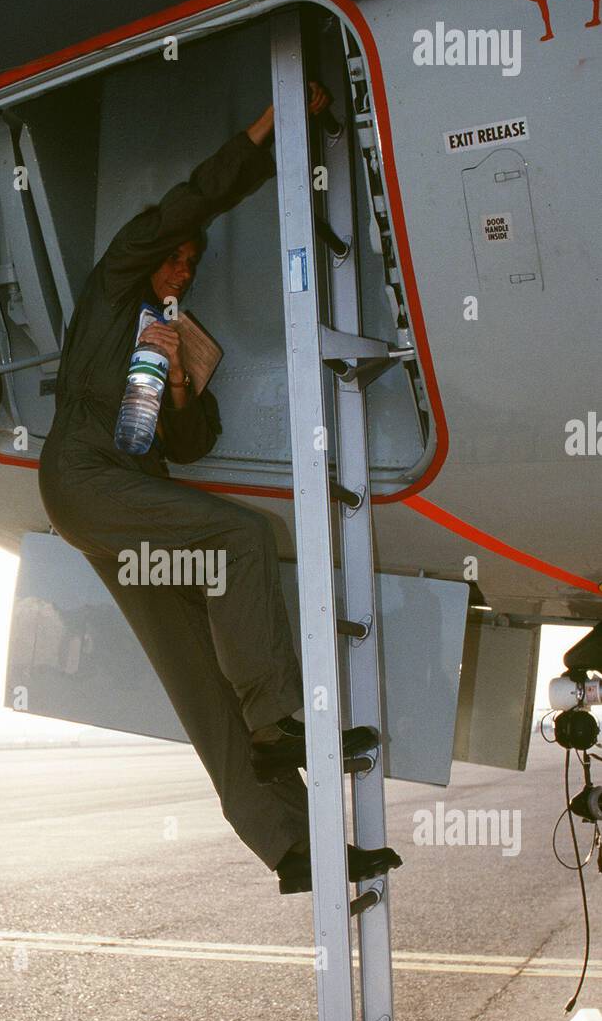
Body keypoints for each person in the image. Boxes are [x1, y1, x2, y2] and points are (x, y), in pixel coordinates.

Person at [38, 84, 401, 894]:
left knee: (198, 674)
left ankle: (293, 848)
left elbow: (194, 445)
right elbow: (195, 198)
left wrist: (176, 387)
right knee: (241, 540)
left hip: (125, 500)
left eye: (192, 264)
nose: (183, 268)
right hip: (85, 481)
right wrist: (270, 128)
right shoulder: (113, 288)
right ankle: (278, 721)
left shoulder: (179, 337)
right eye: (177, 256)